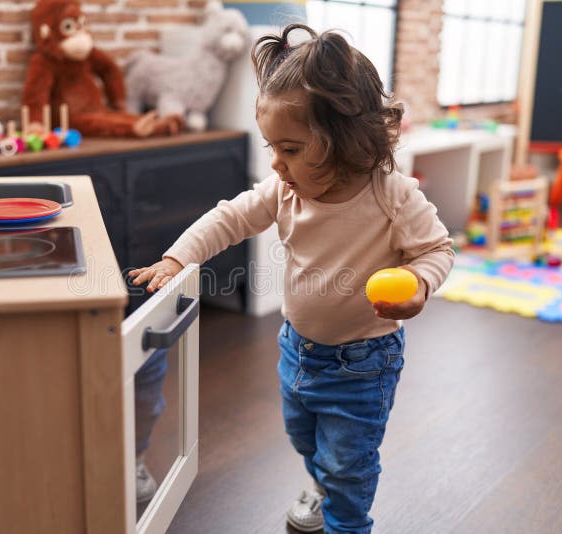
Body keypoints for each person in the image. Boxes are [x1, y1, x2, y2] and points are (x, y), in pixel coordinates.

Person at [128, 23, 454, 534]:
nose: (277, 163)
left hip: (363, 362)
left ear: (345, 139)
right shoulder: (284, 190)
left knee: (350, 460)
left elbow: (436, 248)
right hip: (296, 349)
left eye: (292, 149)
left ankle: (347, 521)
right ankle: (322, 484)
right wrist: (177, 260)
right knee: (306, 439)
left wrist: (418, 285)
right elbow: (227, 219)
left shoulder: (392, 195)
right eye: (271, 147)